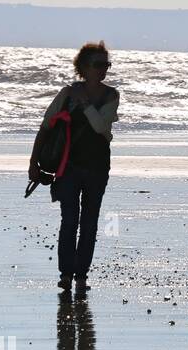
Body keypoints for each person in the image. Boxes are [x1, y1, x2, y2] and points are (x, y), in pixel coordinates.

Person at [29, 41, 120, 296]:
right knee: (69, 220)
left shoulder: (111, 95)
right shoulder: (67, 94)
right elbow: (45, 128)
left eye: (106, 64)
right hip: (67, 168)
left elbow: (101, 128)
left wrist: (86, 105)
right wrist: (33, 163)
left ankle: (81, 276)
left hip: (98, 167)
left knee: (89, 222)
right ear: (83, 67)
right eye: (98, 64)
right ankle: (66, 274)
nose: (103, 69)